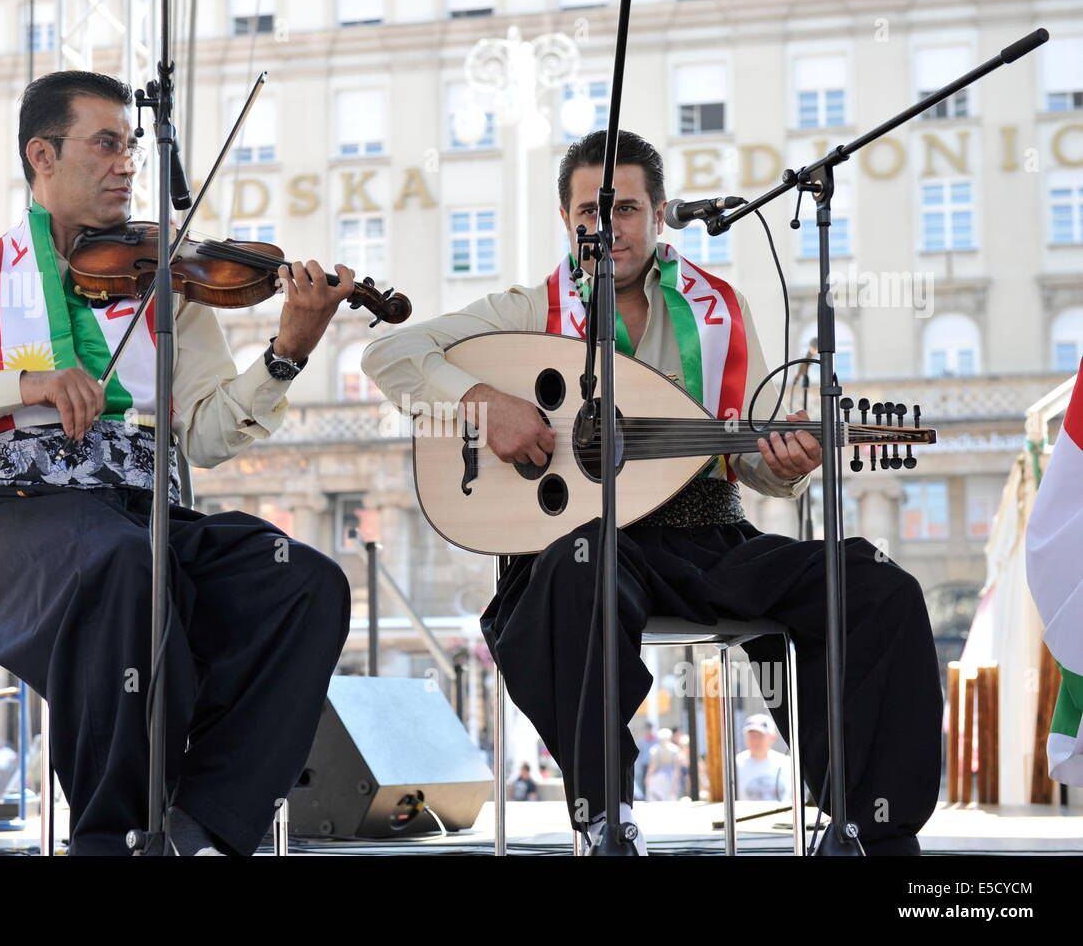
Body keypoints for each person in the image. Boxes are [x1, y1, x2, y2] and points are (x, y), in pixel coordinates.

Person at [362, 129, 943, 855]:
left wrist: (786, 461)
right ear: (567, 220)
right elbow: (389, 352)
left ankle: (868, 824)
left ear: (659, 214)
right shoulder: (530, 310)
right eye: (588, 212)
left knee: (876, 584)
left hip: (710, 536)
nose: (605, 227)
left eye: (625, 209)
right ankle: (606, 815)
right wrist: (484, 400)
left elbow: (750, 461)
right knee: (579, 562)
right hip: (592, 545)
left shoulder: (718, 309)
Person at [0, 71, 356, 856]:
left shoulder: (169, 282)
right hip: (24, 526)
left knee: (307, 582)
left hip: (147, 516)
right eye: (107, 144)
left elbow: (213, 434)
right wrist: (21, 385)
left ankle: (196, 827)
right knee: (125, 567)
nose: (128, 164)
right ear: (41, 157)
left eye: (131, 146)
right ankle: (107, 836)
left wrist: (288, 350)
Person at [735, 714, 792, 802]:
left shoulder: (787, 763)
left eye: (760, 735)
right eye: (751, 736)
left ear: (772, 737)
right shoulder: (735, 765)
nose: (755, 740)